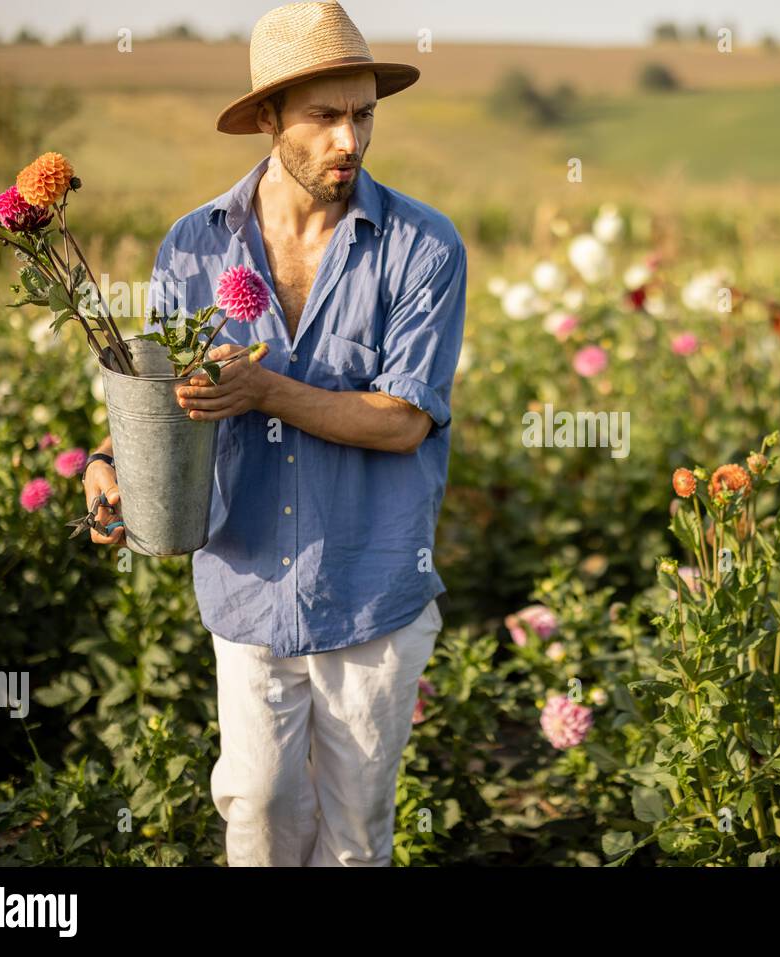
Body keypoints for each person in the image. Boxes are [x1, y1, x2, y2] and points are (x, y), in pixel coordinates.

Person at [81, 1, 466, 866]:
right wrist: (111, 463)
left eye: (363, 113)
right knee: (254, 811)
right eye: (325, 116)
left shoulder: (422, 246)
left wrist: (263, 389)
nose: (350, 140)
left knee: (357, 838)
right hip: (248, 578)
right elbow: (159, 392)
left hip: (370, 591)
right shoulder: (192, 247)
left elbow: (404, 420)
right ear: (266, 119)